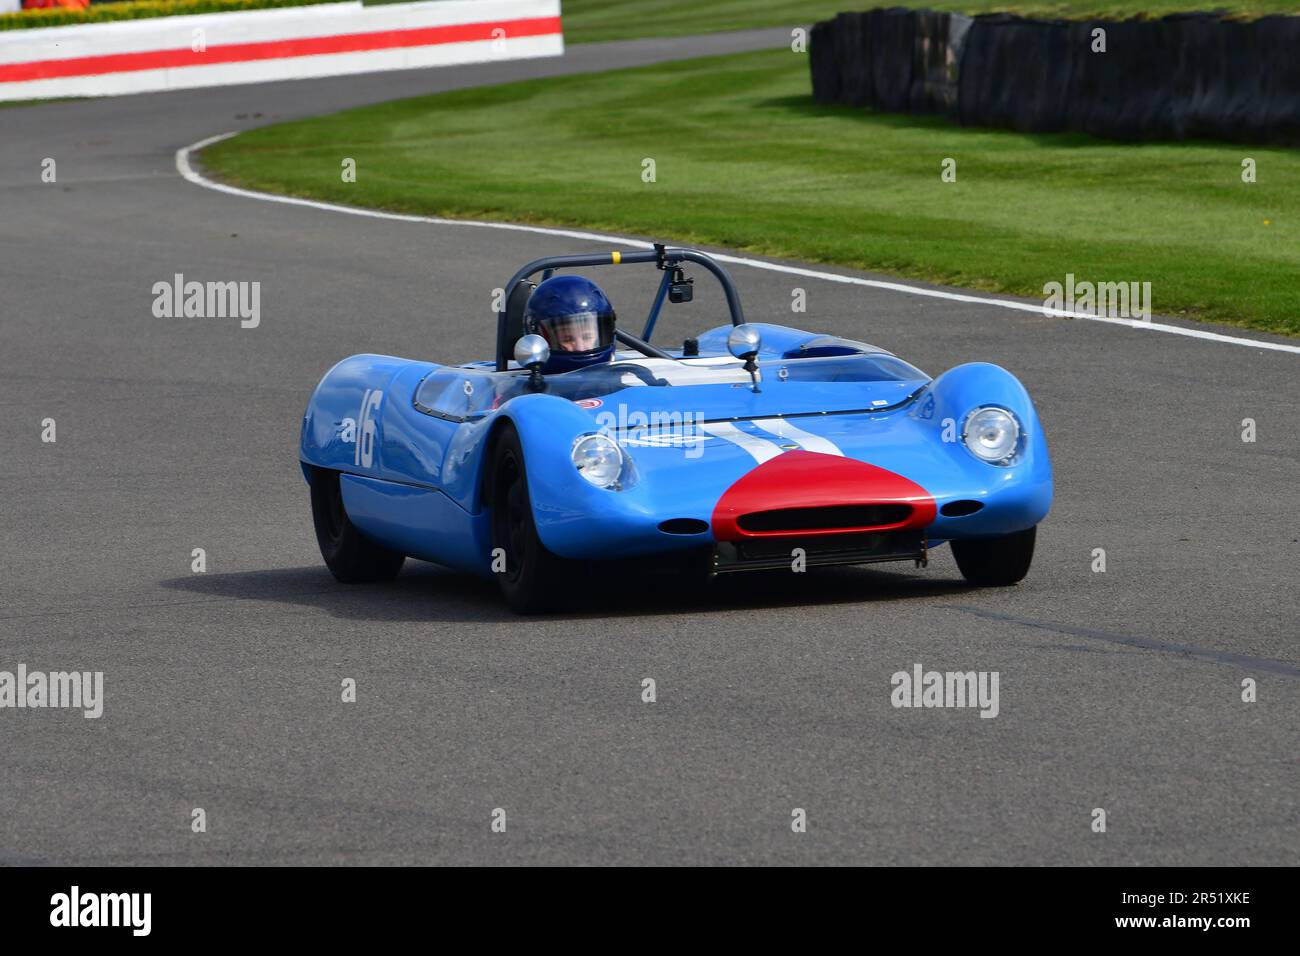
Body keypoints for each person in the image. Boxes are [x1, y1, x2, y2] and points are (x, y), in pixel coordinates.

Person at [523, 275, 616, 374]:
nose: (580, 348)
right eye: (567, 339)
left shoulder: (627, 376)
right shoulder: (525, 387)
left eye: (587, 337)